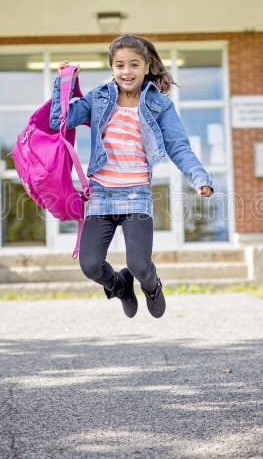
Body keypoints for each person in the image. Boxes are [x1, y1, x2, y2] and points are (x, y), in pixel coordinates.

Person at [50, 35, 213, 318]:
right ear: (111, 68)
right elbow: (58, 122)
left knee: (139, 265)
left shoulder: (159, 105)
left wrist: (199, 178)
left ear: (146, 66)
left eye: (134, 65)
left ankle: (152, 287)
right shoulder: (98, 98)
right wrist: (63, 83)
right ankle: (121, 286)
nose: (127, 72)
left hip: (137, 194)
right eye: (120, 65)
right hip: (101, 194)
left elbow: (178, 146)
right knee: (90, 265)